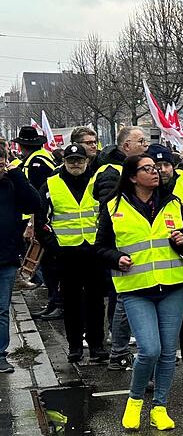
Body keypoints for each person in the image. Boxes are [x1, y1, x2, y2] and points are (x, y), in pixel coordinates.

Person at [94, 154, 183, 431]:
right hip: (135, 288)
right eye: (148, 168)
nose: (155, 172)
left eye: (156, 168)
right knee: (150, 349)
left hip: (172, 286)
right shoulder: (113, 206)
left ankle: (159, 408)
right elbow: (100, 247)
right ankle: (135, 401)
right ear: (132, 177)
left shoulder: (173, 203)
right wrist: (116, 258)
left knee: (167, 353)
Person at [35, 144, 108, 364]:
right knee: (71, 302)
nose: (75, 164)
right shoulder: (50, 185)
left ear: (87, 161)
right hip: (66, 254)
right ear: (64, 162)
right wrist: (55, 249)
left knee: (96, 302)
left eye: (79, 160)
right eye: (71, 160)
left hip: (94, 252)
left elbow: (107, 214)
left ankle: (96, 346)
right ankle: (75, 346)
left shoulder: (97, 182)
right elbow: (41, 222)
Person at [147, 143, 183, 381]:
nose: (162, 170)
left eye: (166, 165)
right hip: (155, 263)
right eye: (156, 165)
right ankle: (157, 366)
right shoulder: (142, 190)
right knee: (158, 320)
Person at [92, 126, 148, 372]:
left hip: (135, 247)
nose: (145, 145)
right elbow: (111, 209)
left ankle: (123, 348)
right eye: (141, 141)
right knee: (122, 299)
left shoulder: (133, 167)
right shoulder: (111, 172)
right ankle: (119, 349)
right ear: (126, 146)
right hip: (120, 248)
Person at [0, 142, 42, 373]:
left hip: (6, 257)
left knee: (2, 309)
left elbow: (34, 203)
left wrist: (17, 174)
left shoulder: (12, 183)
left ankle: (0, 354)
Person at [15, 126, 60, 319]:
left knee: (48, 264)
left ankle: (56, 301)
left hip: (39, 219)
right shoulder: (39, 158)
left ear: (23, 146)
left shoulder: (37, 163)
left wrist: (32, 224)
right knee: (47, 265)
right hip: (38, 219)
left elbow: (38, 197)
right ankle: (53, 301)